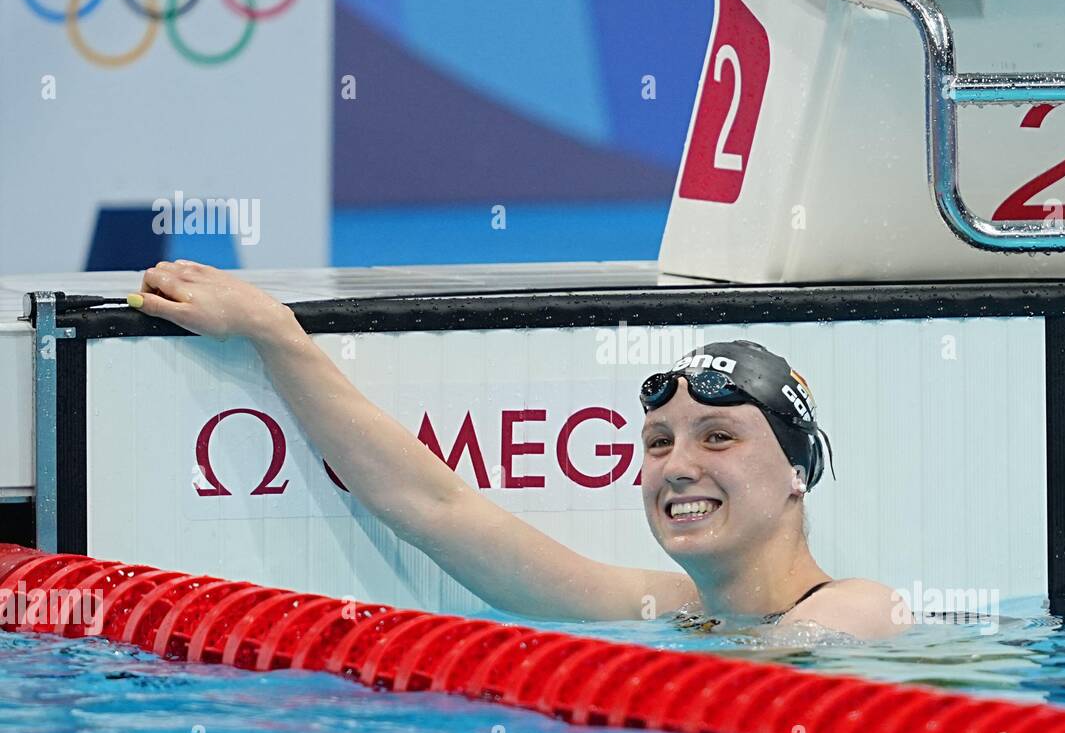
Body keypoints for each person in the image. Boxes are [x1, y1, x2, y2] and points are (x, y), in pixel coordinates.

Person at [126, 260, 910, 639]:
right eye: (659, 442)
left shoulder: (859, 609)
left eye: (719, 437)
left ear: (798, 476)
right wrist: (276, 333)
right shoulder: (675, 614)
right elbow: (437, 508)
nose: (678, 466)